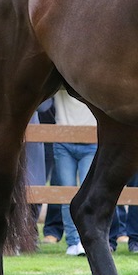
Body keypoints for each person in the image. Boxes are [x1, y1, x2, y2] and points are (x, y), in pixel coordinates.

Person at [51, 87, 97, 257]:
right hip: (63, 141)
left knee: (88, 195)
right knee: (67, 194)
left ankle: (85, 240)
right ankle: (72, 241)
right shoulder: (60, 79)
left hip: (90, 140)